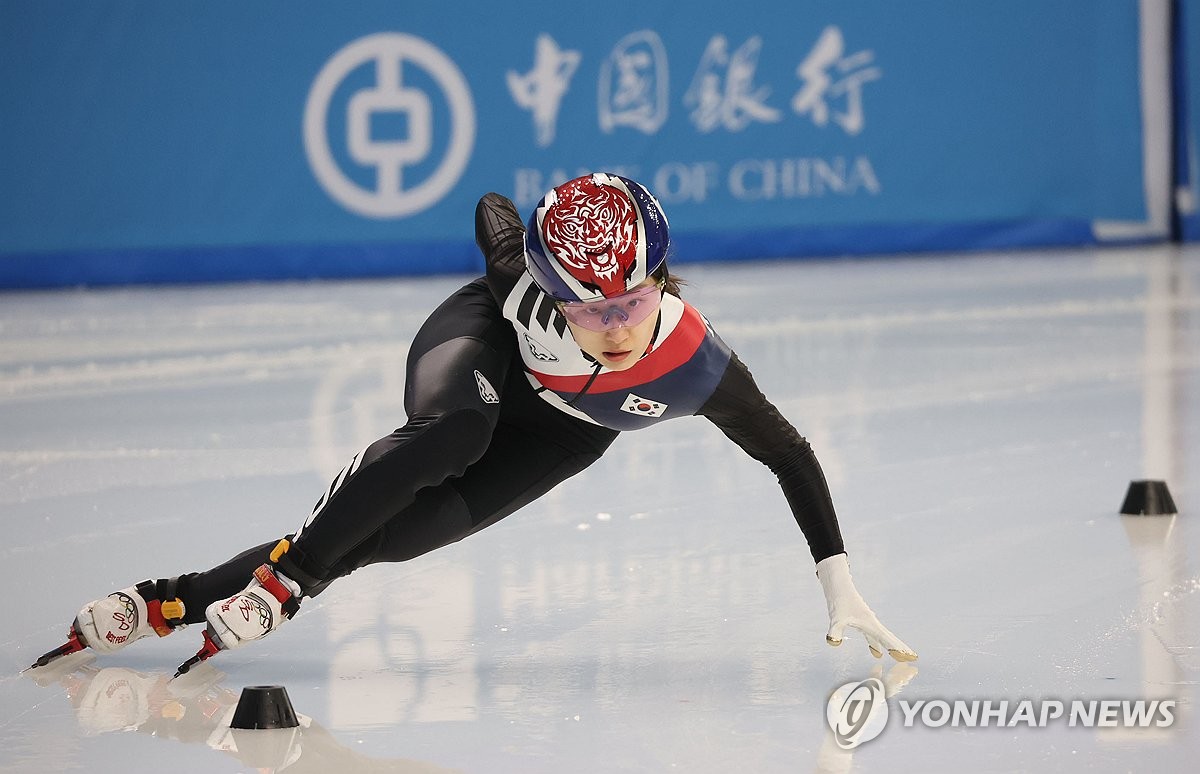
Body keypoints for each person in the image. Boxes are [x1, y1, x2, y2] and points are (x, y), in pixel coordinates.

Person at [35, 173, 916, 676]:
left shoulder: (700, 367)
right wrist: (532, 249)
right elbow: (495, 208)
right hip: (485, 347)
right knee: (455, 433)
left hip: (565, 432)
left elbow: (790, 455)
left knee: (393, 538)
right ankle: (288, 579)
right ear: (550, 286)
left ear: (664, 279)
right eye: (587, 307)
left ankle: (167, 601)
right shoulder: (524, 291)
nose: (612, 324)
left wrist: (837, 581)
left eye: (632, 301)